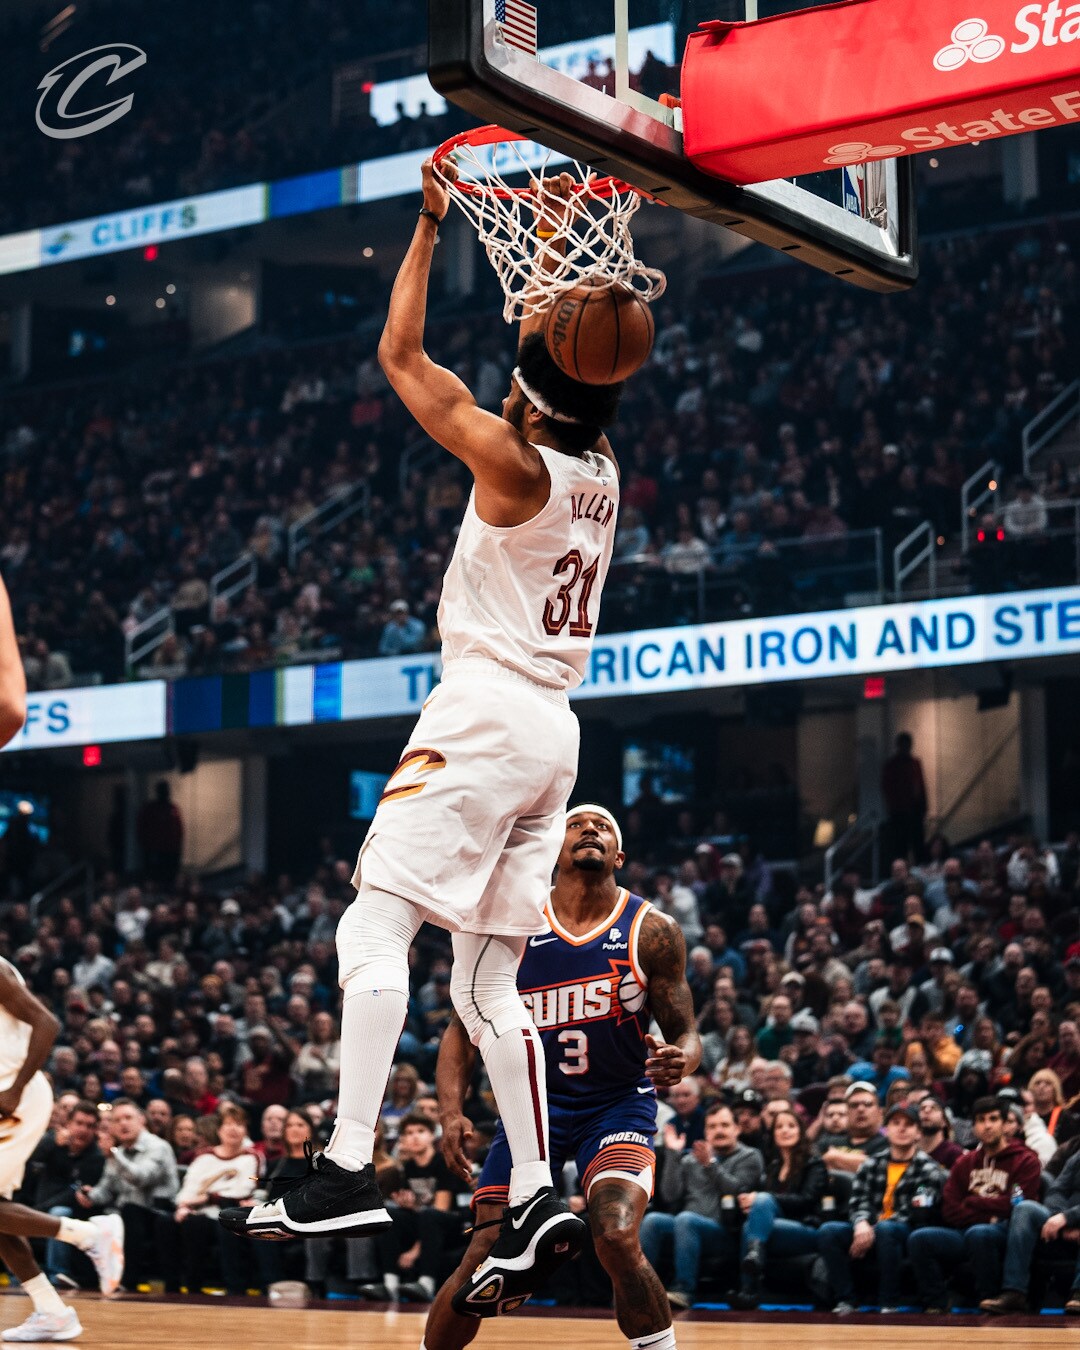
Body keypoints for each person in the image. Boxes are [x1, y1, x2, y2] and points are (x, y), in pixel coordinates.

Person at [221, 163, 629, 1309]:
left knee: (377, 921)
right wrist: (555, 241)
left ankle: (347, 1162)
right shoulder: (600, 468)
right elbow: (554, 361)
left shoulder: (511, 463)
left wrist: (431, 222)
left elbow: (401, 357)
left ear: (526, 394)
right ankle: (537, 1189)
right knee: (490, 984)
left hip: (485, 712)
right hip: (554, 737)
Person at [420, 804, 699, 1342]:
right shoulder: (511, 924)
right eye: (576, 824)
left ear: (620, 855)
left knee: (615, 1235)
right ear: (553, 847)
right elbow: (460, 1027)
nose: (589, 828)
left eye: (603, 826)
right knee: (484, 1249)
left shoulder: (652, 930)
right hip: (531, 1110)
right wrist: (450, 1112)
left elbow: (687, 1032)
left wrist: (682, 1059)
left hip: (616, 1104)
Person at [0, 960, 123, 1342]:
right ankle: (52, 1312)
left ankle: (89, 1234)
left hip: (12, 1097)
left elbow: (48, 1023)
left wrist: (15, 1090)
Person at [907, 1096, 1041, 1313]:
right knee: (920, 1238)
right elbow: (950, 1209)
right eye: (981, 1120)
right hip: (967, 1230)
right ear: (974, 1127)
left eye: (993, 1119)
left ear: (1005, 1124)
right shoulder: (965, 1163)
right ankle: (936, 1304)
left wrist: (972, 1201)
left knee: (979, 1233)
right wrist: (987, 1214)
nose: (987, 1126)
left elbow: (1017, 1205)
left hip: (1006, 1232)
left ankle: (990, 1299)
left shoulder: (1026, 1160)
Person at [817, 1102, 945, 1314]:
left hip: (907, 1231)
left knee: (887, 1230)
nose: (901, 1128)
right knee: (828, 1231)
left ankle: (889, 1302)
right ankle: (846, 1299)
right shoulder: (872, 1163)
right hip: (872, 1227)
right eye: (896, 1123)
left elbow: (918, 1212)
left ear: (918, 1133)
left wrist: (872, 1228)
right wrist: (861, 1223)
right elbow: (859, 1201)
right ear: (887, 1130)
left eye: (908, 1124)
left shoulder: (929, 1169)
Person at [642, 1102, 764, 1309]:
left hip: (725, 1232)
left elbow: (739, 1190)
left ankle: (683, 1290)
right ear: (705, 1132)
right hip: (686, 1227)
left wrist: (710, 1165)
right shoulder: (691, 1160)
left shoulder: (750, 1156)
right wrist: (673, 1155)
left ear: (737, 1129)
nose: (719, 1131)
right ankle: (639, 1290)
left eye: (724, 1125)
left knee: (686, 1219)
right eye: (712, 1126)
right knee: (653, 1221)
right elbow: (670, 1195)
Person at [734, 1107, 826, 1307]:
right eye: (779, 1127)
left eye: (791, 1126)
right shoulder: (774, 1167)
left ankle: (749, 1288)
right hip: (776, 1227)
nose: (785, 1130)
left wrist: (763, 1199)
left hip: (806, 1227)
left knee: (762, 1203)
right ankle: (748, 1288)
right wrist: (750, 1203)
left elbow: (807, 1200)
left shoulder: (814, 1163)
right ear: (773, 1134)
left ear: (801, 1131)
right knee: (749, 1224)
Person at [981, 1144, 1080, 1315]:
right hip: (1061, 1221)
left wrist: (1068, 1218)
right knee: (1025, 1208)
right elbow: (1056, 1191)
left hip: (1070, 1218)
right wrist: (1060, 1219)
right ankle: (1014, 1292)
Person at [27, 1099, 105, 1290]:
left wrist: (40, 1210)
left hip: (75, 1211)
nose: (83, 1130)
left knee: (59, 1213)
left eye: (90, 1126)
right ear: (68, 1124)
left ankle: (58, 1274)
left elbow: (75, 1192)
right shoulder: (51, 1143)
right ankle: (21, 1276)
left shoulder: (96, 1156)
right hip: (41, 1203)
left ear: (95, 1130)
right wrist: (50, 1144)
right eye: (79, 1123)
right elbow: (28, 1164)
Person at [881, 733, 927, 864]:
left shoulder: (914, 763)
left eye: (907, 745)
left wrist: (923, 807)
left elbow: (921, 786)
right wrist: (894, 808)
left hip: (914, 811)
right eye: (904, 745)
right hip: (900, 812)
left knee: (917, 845)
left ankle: (917, 868)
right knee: (901, 847)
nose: (906, 748)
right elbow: (888, 789)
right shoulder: (892, 766)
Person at [136, 781, 184, 886]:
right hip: (154, 850)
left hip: (170, 851)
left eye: (166, 791)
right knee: (154, 876)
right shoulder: (150, 809)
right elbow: (142, 828)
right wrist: (147, 846)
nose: (165, 793)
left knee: (168, 877)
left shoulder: (172, 809)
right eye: (163, 791)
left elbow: (178, 831)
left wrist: (177, 849)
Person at [916, 1096, 964, 1171]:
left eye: (934, 1108)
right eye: (922, 1108)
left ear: (944, 1121)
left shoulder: (954, 1153)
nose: (926, 1110)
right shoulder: (909, 1150)